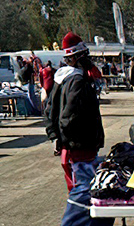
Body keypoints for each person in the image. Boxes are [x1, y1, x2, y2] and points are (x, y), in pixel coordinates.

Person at [44, 32, 105, 191]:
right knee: (83, 192)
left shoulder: (62, 79)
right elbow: (69, 116)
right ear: (78, 58)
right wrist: (65, 139)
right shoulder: (77, 81)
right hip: (80, 147)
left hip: (71, 147)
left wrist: (54, 136)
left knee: (76, 190)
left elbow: (50, 110)